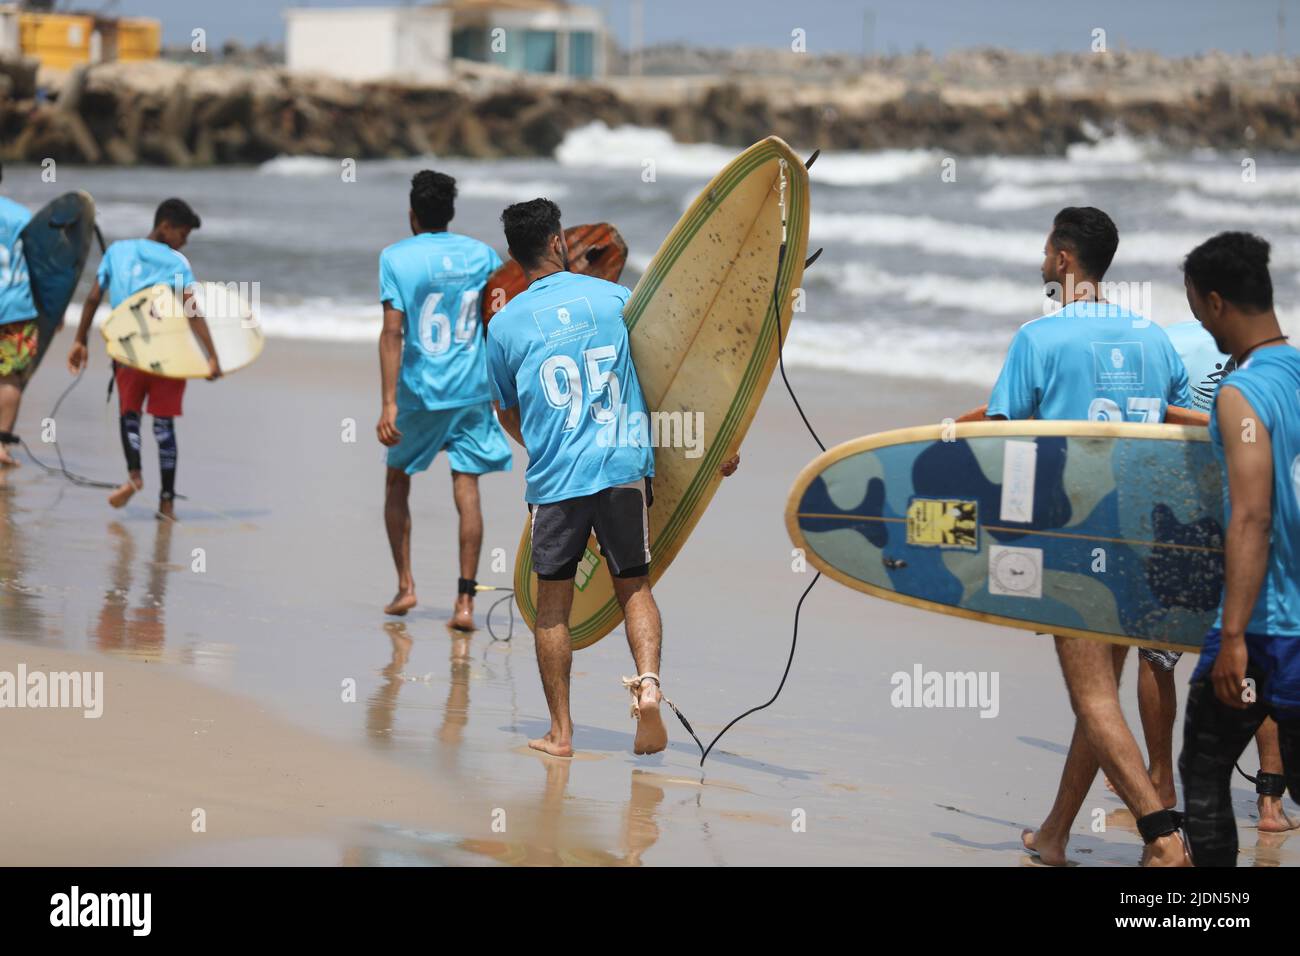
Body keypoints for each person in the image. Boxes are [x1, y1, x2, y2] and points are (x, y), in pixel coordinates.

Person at [982, 206, 1197, 866]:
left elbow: (1003, 443)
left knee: (1092, 697)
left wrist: (1003, 543)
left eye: (1048, 247)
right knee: (1097, 698)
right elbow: (1179, 426)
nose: (1043, 257)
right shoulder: (1154, 339)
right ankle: (1053, 837)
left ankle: (1162, 838)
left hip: (1073, 539)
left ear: (1065, 259)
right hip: (1144, 538)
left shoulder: (1039, 340)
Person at [486, 198, 736, 757]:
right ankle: (647, 687)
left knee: (552, 606)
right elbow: (672, 371)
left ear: (514, 254)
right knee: (634, 587)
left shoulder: (503, 327)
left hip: (557, 482)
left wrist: (546, 443)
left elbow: (505, 410)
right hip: (624, 468)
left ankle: (561, 733)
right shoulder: (617, 299)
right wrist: (713, 444)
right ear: (558, 243)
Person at [1177, 231, 1300, 865]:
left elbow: (1251, 517)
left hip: (1262, 628)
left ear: (1218, 301)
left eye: (1197, 306)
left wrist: (1232, 637)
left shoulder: (1240, 392)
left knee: (1203, 776)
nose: (1201, 321)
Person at [375, 171, 513, 628]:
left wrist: (389, 403)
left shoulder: (395, 258)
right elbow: (497, 321)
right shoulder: (482, 255)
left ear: (412, 214)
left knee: (398, 480)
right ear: (450, 213)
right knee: (467, 486)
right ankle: (464, 603)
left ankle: (406, 586)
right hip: (473, 390)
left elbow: (392, 331)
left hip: (419, 394)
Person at [68, 199, 219, 519]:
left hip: (128, 353)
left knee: (130, 416)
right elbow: (192, 312)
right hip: (167, 356)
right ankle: (166, 502)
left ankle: (134, 476)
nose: (184, 242)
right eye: (183, 233)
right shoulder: (178, 263)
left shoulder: (117, 252)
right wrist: (212, 355)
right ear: (165, 226)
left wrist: (80, 340)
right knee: (164, 426)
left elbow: (94, 297)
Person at [0, 164, 39, 467]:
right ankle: (0, 444)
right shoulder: (22, 217)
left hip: (16, 307)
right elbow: (44, 268)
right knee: (10, 376)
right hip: (15, 307)